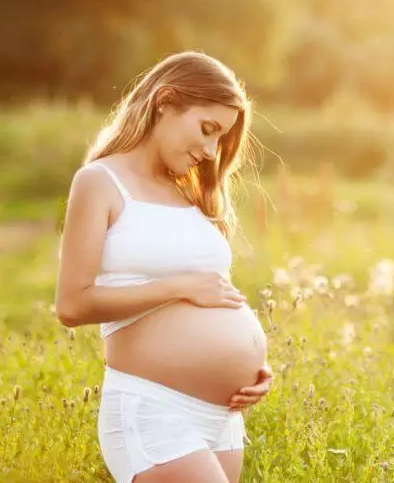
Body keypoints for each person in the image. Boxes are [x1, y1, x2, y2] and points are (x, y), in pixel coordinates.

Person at [54, 51, 273, 483]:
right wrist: (179, 287)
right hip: (154, 409)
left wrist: (254, 369)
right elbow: (71, 306)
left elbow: (213, 291)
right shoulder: (100, 182)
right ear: (165, 101)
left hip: (222, 418)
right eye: (207, 129)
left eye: (221, 139)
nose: (211, 151)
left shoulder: (190, 195)